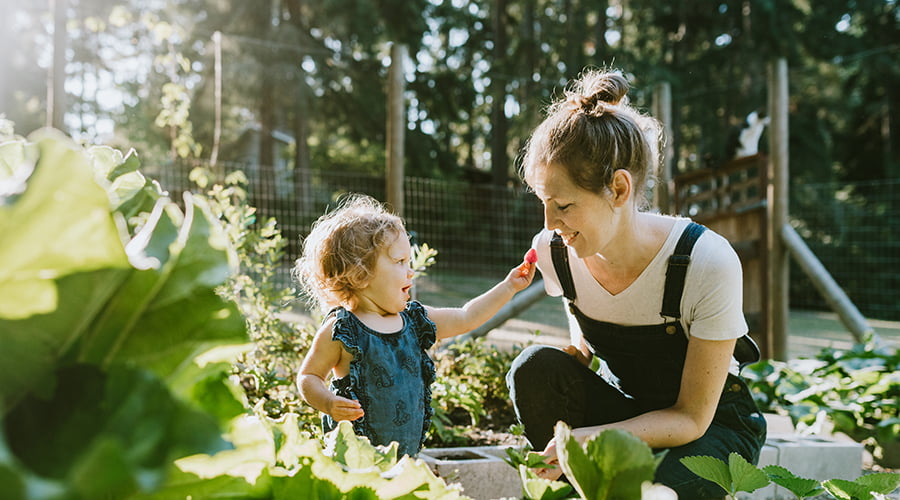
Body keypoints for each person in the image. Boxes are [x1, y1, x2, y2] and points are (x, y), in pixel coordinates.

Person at [505, 68, 767, 499]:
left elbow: (691, 418)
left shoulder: (706, 261)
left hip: (705, 432)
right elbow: (585, 327)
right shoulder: (555, 251)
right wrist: (580, 355)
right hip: (626, 410)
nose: (550, 223)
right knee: (534, 367)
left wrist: (595, 439)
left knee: (645, 492)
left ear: (619, 188)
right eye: (543, 203)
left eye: (563, 205)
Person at [295, 194, 536, 457]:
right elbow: (308, 377)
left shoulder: (414, 320)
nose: (410, 272)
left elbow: (467, 317)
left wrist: (509, 286)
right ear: (360, 274)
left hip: (405, 456)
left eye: (409, 262)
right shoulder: (342, 331)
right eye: (400, 262)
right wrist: (328, 402)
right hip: (354, 457)